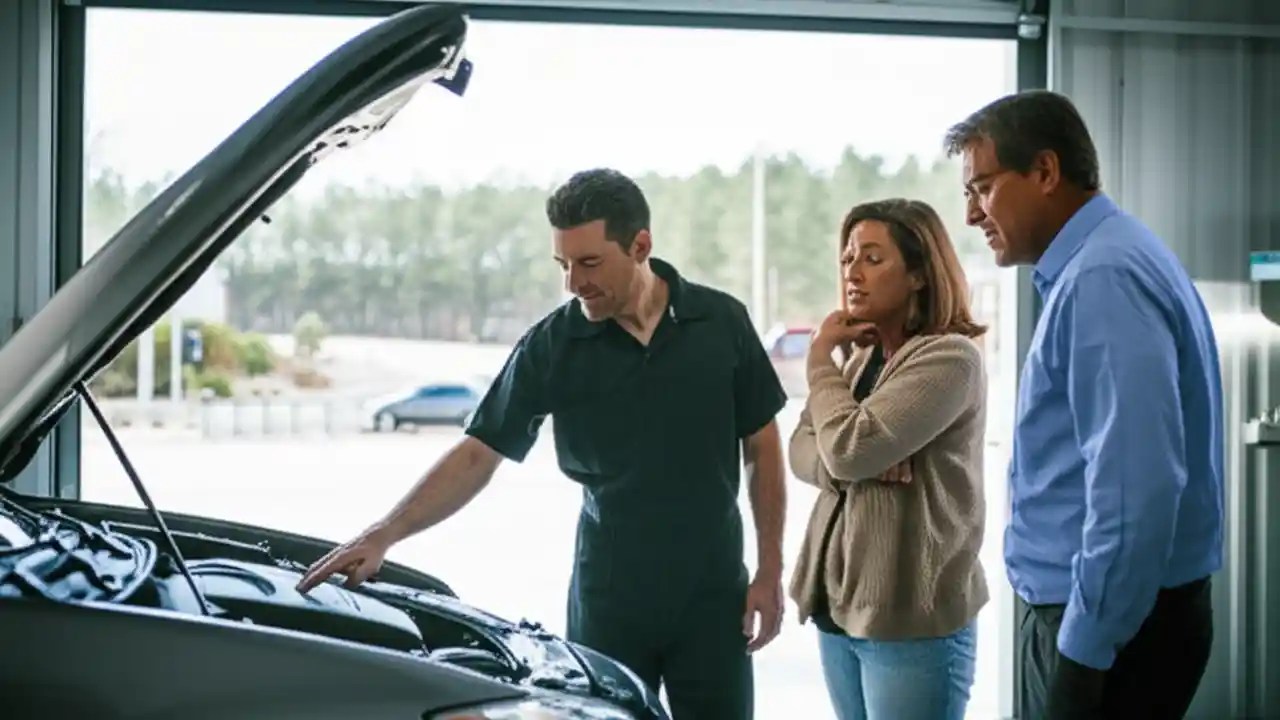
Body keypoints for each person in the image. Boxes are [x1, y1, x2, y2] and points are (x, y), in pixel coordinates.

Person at [295, 168, 789, 720]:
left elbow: (763, 446)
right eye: (564, 265)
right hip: (610, 605)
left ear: (641, 245)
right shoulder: (554, 346)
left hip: (713, 600)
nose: (573, 283)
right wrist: (386, 532)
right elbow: (480, 452)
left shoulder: (720, 322)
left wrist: (770, 571)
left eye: (589, 263)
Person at [943, 89, 1225, 719]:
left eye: (981, 188)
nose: (972, 214)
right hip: (1121, 617)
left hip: (1111, 630)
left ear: (1044, 171)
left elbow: (1136, 490)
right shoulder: (1110, 258)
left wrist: (1083, 651)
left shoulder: (1104, 278)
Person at [788, 198, 989, 720]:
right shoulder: (858, 360)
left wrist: (817, 362)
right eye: (848, 258)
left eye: (873, 258)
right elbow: (802, 449)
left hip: (911, 623)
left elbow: (847, 449)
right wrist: (850, 458)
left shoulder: (949, 357)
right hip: (841, 612)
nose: (853, 272)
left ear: (921, 273)